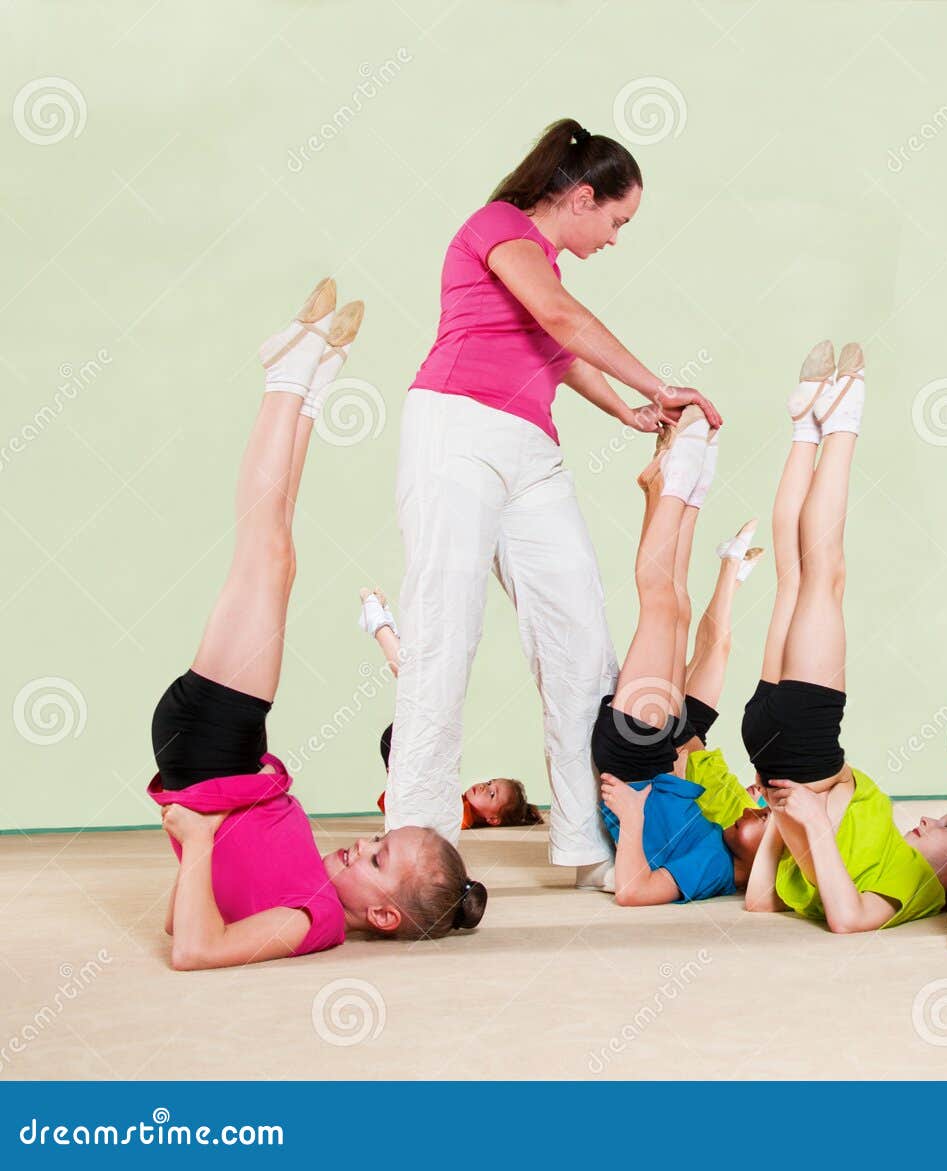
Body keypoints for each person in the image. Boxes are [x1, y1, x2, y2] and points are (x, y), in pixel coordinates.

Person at [388, 117, 723, 892]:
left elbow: (559, 349)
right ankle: (418, 845)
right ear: (580, 197)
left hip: (530, 450)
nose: (616, 235)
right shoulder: (499, 228)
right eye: (616, 218)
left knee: (580, 636)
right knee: (445, 628)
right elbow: (561, 321)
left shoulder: (544, 270)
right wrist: (658, 385)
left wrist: (628, 414)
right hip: (456, 431)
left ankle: (586, 836)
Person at [150, 280, 485, 969]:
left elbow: (190, 947)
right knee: (276, 552)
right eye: (376, 840)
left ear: (384, 912)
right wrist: (199, 853)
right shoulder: (314, 894)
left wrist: (200, 839)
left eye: (376, 856)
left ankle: (289, 375)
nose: (359, 844)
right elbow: (184, 908)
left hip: (209, 755)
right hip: (225, 754)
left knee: (266, 551)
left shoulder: (316, 921)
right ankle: (306, 388)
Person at [741, 342, 947, 933]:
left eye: (946, 832)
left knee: (821, 574)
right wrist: (785, 820)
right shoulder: (877, 837)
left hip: (796, 749)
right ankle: (805, 427)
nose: (928, 825)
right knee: (794, 576)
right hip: (773, 746)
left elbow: (847, 922)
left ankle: (840, 422)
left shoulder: (918, 888)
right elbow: (762, 901)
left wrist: (806, 824)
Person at [588, 413, 767, 905]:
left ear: (761, 867)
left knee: (661, 606)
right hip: (656, 754)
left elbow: (632, 891)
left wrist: (632, 817)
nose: (760, 815)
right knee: (678, 607)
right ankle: (678, 492)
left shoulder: (716, 870)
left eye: (767, 832)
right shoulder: (724, 840)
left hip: (632, 762)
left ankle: (675, 488)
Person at [358, 588, 543, 829]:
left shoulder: (461, 817)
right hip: (407, 766)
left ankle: (379, 622)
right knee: (420, 683)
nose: (484, 787)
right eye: (489, 783)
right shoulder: (459, 804)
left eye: (492, 795)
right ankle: (383, 623)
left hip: (406, 782)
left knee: (417, 683)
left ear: (493, 819)